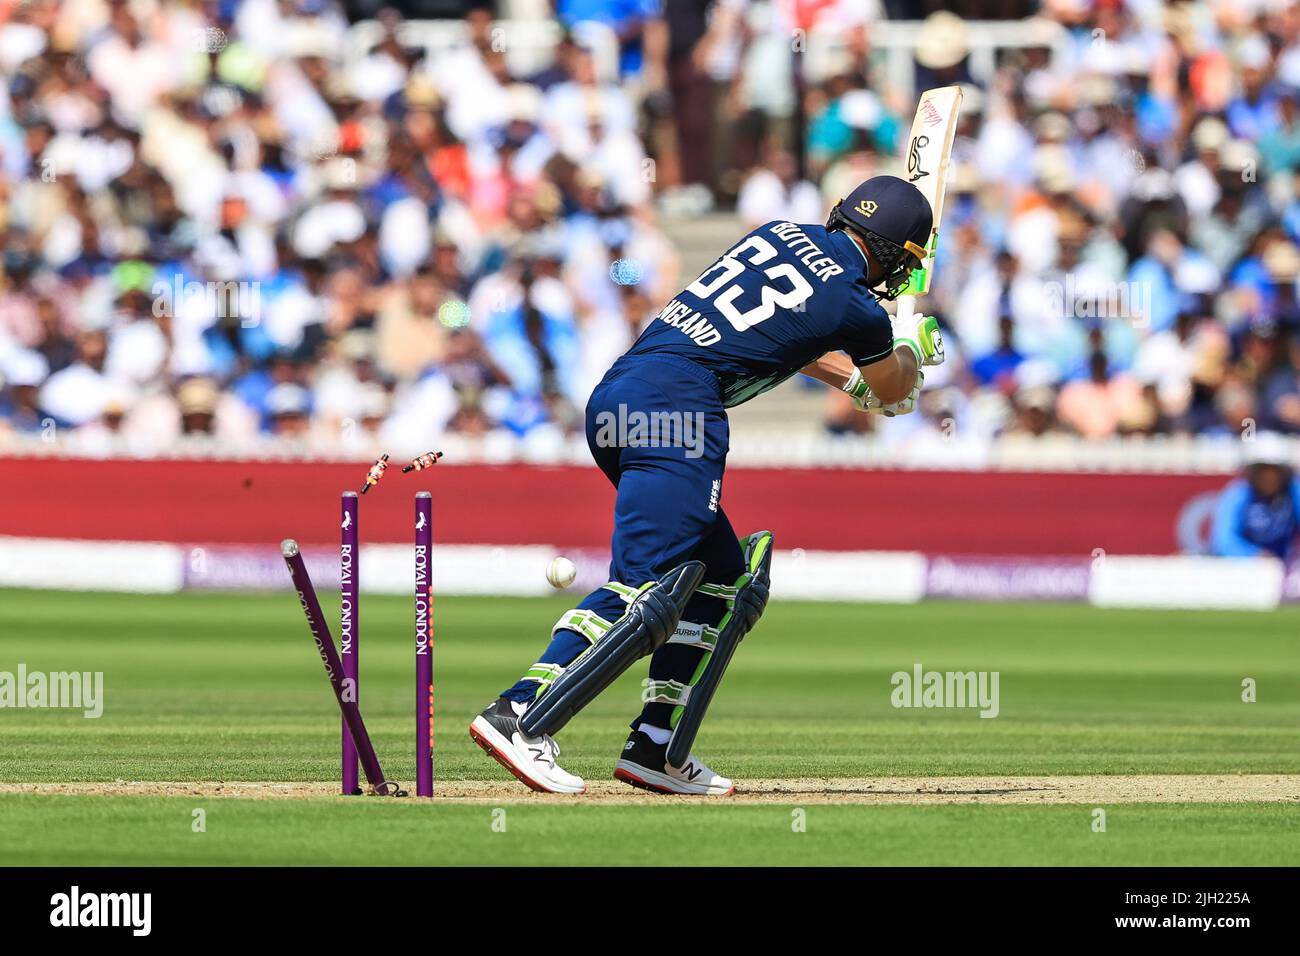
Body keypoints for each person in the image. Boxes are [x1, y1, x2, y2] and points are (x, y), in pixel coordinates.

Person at [469, 176, 944, 794]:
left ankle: (656, 747)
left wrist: (855, 380)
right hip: (681, 410)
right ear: (891, 253)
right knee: (644, 587)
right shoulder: (857, 307)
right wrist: (908, 351)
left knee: (724, 578)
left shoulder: (778, 235)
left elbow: (788, 335)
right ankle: (519, 714)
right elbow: (893, 389)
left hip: (620, 397)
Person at [1210, 432, 1300, 561]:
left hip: (1286, 568)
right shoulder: (1238, 494)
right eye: (1262, 472)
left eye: (1274, 472)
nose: (1269, 478)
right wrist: (1254, 555)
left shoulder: (1294, 491)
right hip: (1246, 569)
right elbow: (1223, 539)